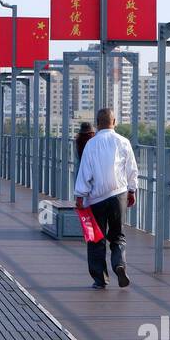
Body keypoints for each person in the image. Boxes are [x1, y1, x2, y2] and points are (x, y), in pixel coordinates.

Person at [73, 108, 138, 289]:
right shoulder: (123, 142)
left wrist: (80, 195)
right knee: (117, 235)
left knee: (95, 238)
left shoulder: (91, 144)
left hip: (96, 198)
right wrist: (132, 190)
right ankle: (119, 264)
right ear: (114, 121)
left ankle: (100, 279)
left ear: (97, 123)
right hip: (119, 194)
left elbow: (85, 171)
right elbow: (132, 169)